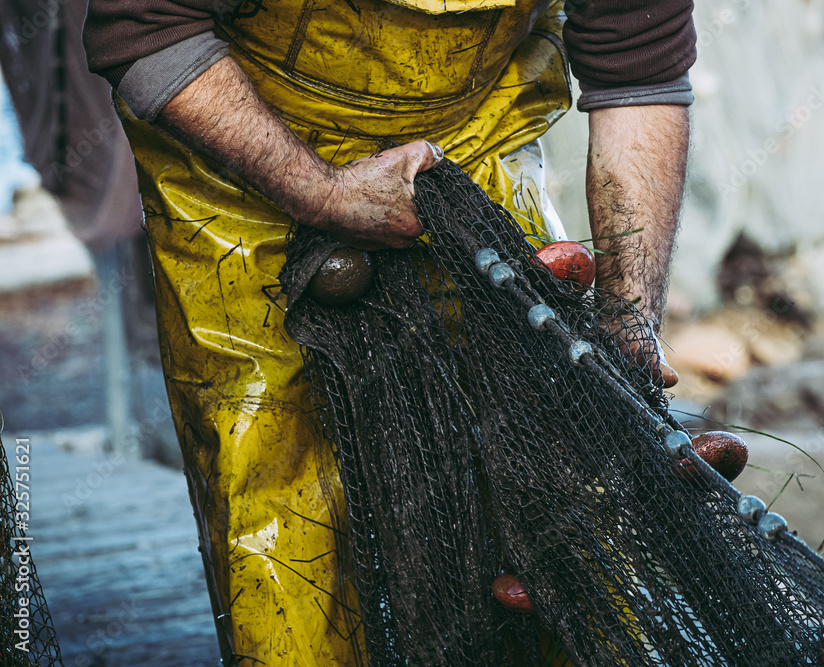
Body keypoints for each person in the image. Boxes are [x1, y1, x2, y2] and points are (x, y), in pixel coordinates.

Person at [82, 0, 696, 663]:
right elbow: (143, 29)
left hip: (472, 149)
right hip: (240, 165)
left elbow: (639, 66)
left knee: (553, 517)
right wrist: (322, 193)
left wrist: (629, 320)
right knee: (284, 530)